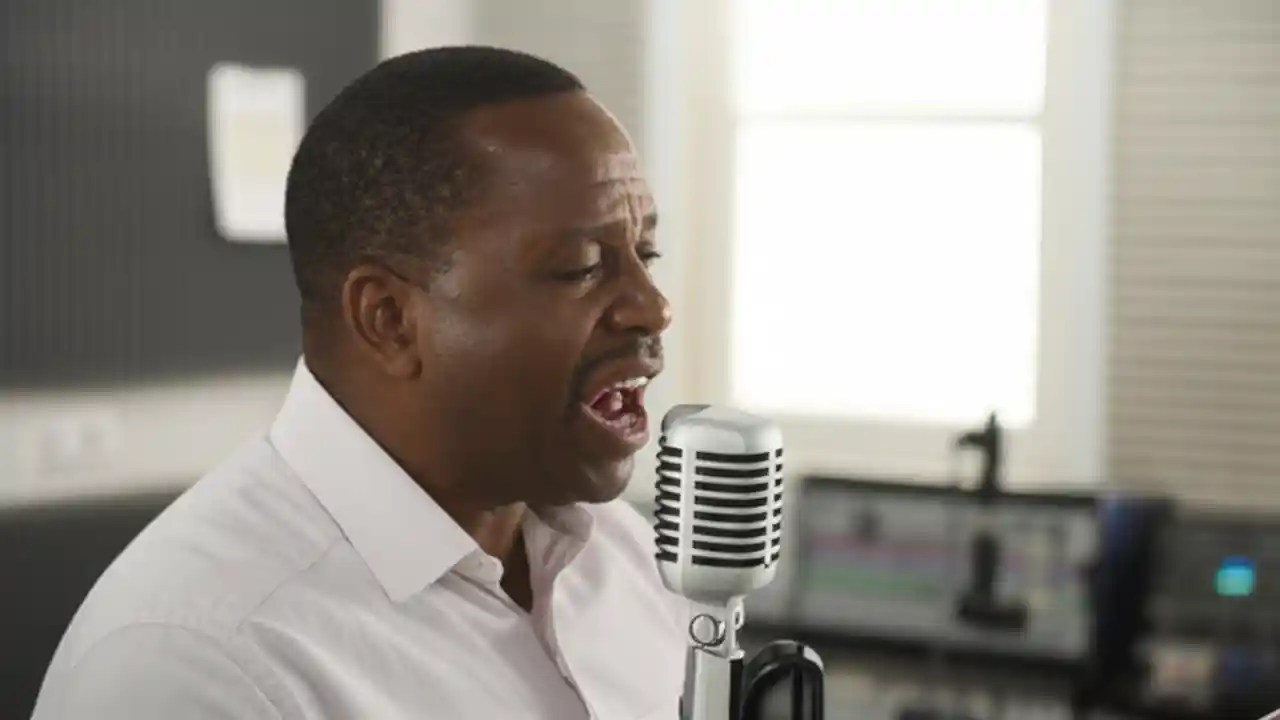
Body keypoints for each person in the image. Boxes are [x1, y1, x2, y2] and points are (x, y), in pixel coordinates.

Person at [33, 46, 685, 719]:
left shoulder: (620, 551)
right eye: (581, 267)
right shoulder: (190, 664)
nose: (652, 307)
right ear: (391, 320)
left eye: (647, 255)